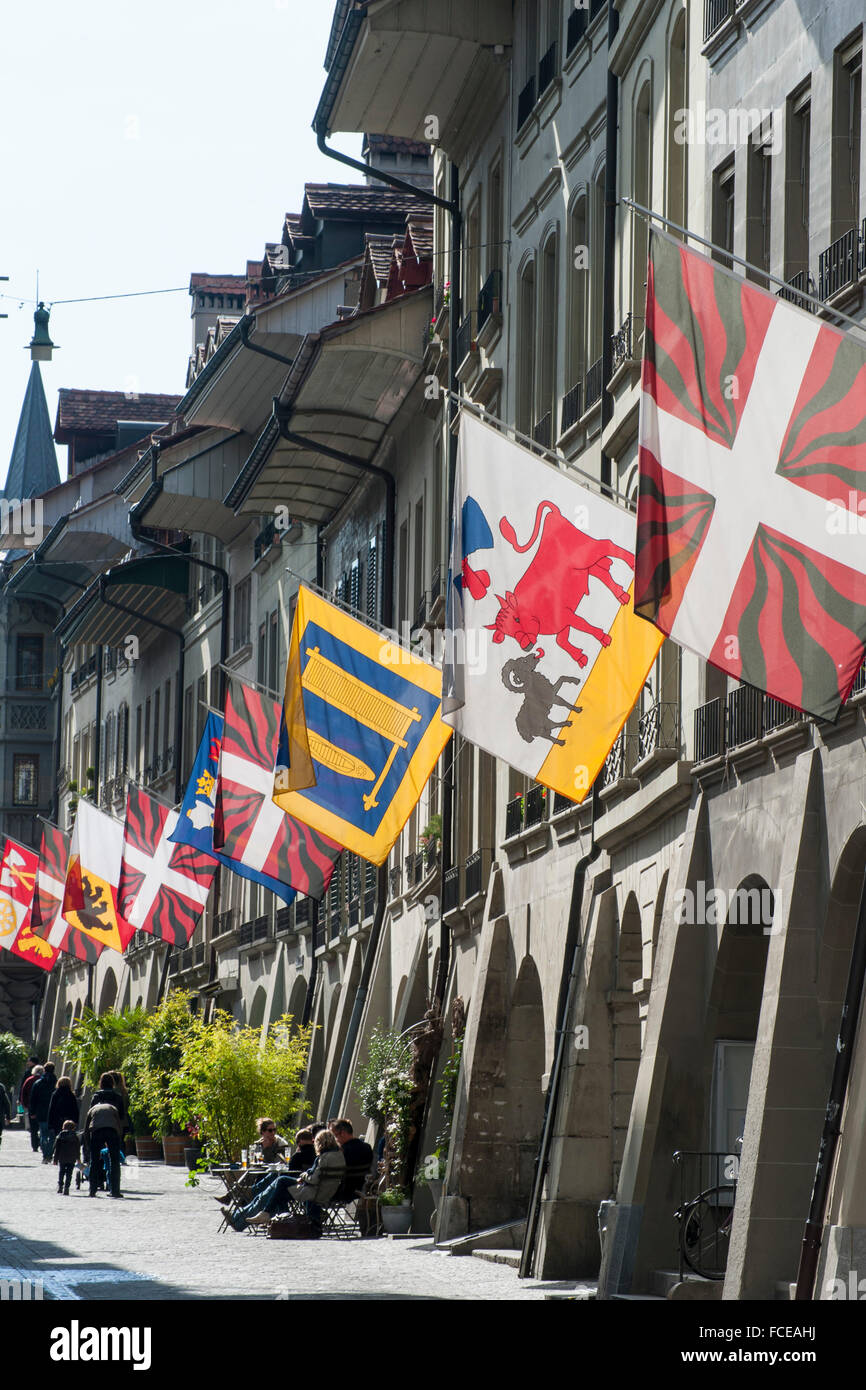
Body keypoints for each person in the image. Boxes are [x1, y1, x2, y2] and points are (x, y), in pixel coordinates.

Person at [228, 1129, 345, 1234]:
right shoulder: (339, 1156)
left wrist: (303, 1175)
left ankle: (265, 1213)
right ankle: (270, 1216)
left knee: (279, 1184)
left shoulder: (322, 1158)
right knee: (278, 1191)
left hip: (314, 1192)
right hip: (329, 1192)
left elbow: (313, 1179)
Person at [84, 1093, 123, 1198]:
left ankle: (92, 1190)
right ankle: (115, 1191)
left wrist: (87, 1145)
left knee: (94, 1161)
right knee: (114, 1162)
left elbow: (86, 1129)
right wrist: (118, 1141)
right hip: (112, 1131)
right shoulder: (112, 1108)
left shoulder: (92, 1109)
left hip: (97, 1132)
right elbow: (119, 1125)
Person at [30, 1062, 57, 1163]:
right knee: (52, 1135)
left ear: (44, 1070)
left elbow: (33, 1099)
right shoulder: (56, 1083)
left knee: (43, 1133)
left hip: (41, 1112)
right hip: (53, 1113)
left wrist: (32, 1112)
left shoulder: (38, 1083)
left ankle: (45, 1154)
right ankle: (49, 1154)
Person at [52, 1120, 81, 1196]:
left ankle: (60, 1186)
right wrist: (78, 1158)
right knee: (69, 1173)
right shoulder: (75, 1137)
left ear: (63, 1127)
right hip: (71, 1158)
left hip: (62, 1157)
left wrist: (55, 1159)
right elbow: (77, 1149)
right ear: (73, 1128)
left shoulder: (60, 1136)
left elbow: (56, 1149)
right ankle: (67, 1188)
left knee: (61, 1172)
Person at [21, 1064, 43, 1153]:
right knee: (42, 1127)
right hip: (43, 1108)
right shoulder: (43, 1080)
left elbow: (23, 1093)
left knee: (33, 1128)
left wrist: (25, 1105)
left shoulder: (29, 1080)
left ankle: (34, 1146)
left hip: (31, 1107)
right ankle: (42, 1143)